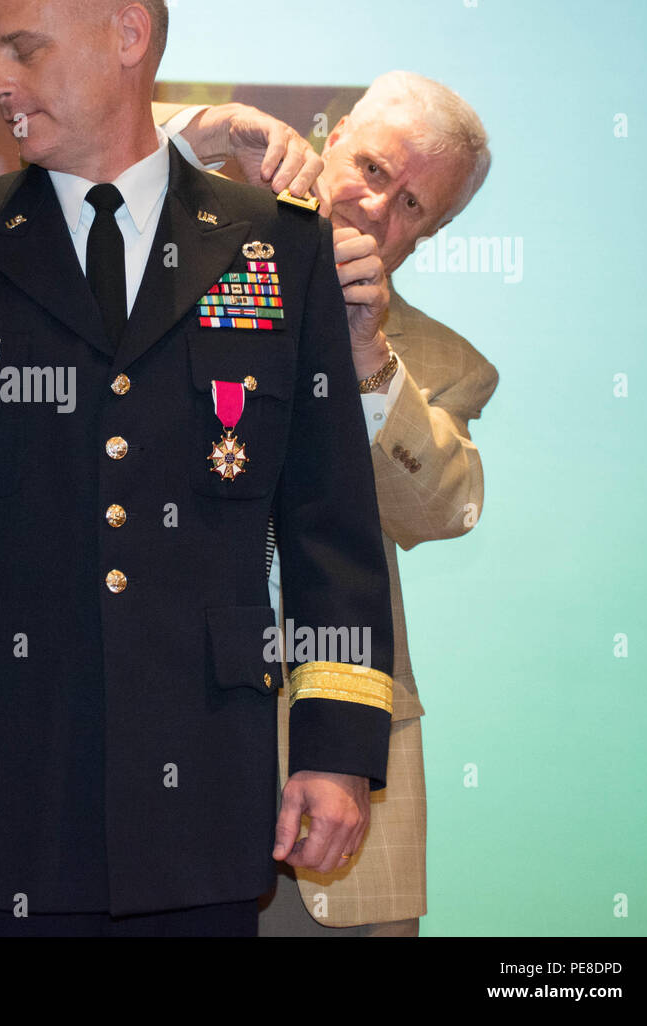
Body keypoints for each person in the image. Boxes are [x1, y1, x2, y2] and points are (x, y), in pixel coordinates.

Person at [0, 0, 396, 936]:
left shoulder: (277, 249)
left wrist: (335, 745)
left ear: (129, 36)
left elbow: (328, 524)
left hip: (202, 802)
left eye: (22, 47)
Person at [160, 70, 496, 935]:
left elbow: (442, 509)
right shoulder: (178, 235)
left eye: (416, 204)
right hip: (155, 731)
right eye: (376, 170)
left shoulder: (435, 360)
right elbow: (83, 149)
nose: (381, 209)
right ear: (335, 133)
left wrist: (367, 355)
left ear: (435, 232)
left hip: (335, 775)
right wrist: (217, 127)